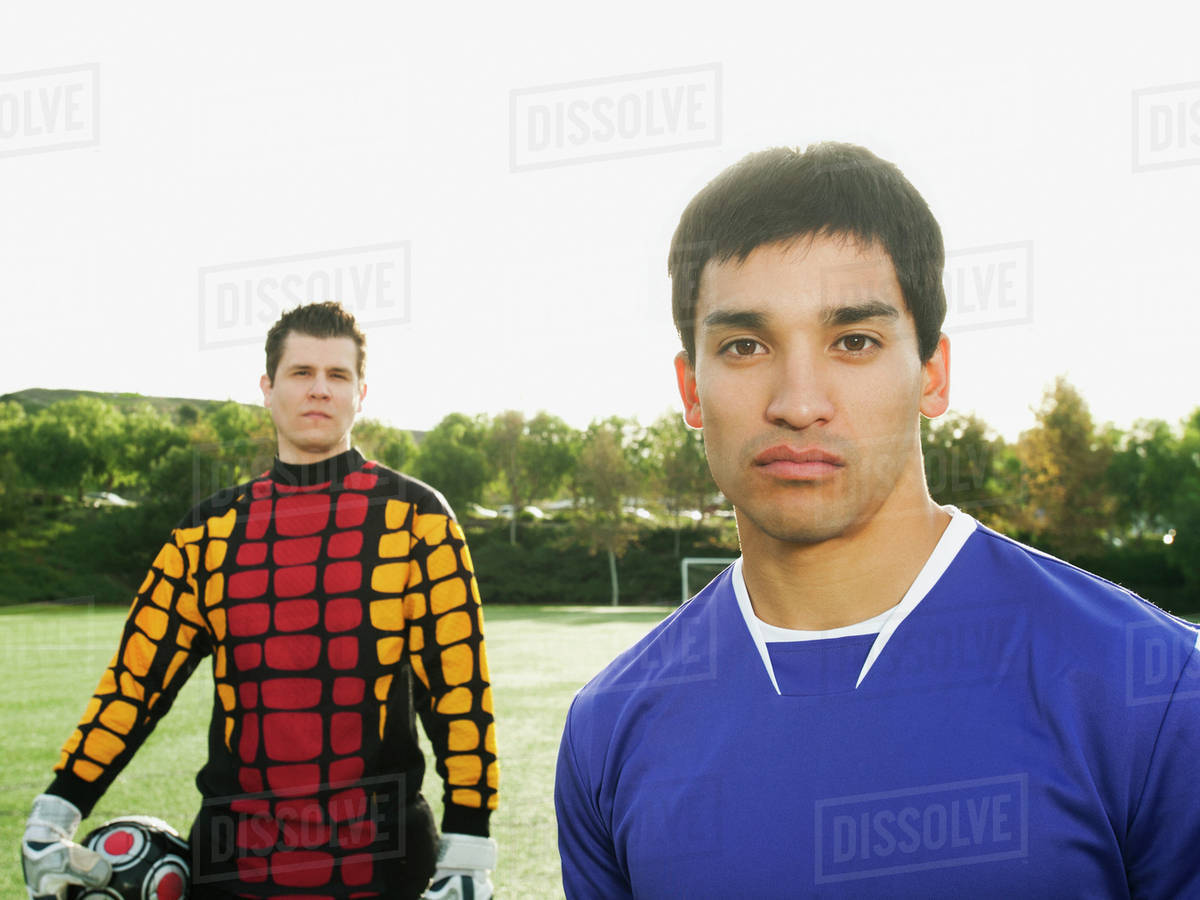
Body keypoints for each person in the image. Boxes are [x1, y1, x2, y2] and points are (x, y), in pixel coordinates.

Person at [554, 143, 1200, 898]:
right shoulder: (609, 727)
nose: (798, 401)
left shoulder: (1153, 693)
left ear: (933, 374)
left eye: (853, 341)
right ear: (691, 390)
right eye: (744, 345)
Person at [23, 302, 499, 899]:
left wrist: (471, 844)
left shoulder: (416, 518)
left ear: (362, 393)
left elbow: (458, 695)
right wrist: (57, 809)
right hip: (232, 867)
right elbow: (136, 683)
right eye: (301, 373)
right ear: (267, 389)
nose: (319, 390)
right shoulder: (208, 531)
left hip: (383, 866)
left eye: (338, 375)